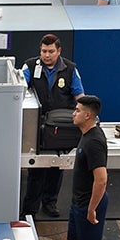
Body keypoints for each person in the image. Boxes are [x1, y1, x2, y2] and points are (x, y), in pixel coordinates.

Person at [21, 35, 84, 219]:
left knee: (57, 167)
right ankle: (29, 209)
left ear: (59, 51)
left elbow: (79, 96)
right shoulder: (30, 66)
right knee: (36, 169)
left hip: (60, 128)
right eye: (43, 51)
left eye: (50, 52)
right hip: (37, 127)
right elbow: (19, 88)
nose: (46, 55)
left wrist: (88, 117)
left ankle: (50, 203)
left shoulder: (70, 69)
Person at [66, 96, 108, 240]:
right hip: (78, 201)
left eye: (77, 110)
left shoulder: (93, 142)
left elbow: (101, 179)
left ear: (88, 115)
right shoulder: (86, 134)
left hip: (89, 204)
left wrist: (91, 209)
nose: (73, 113)